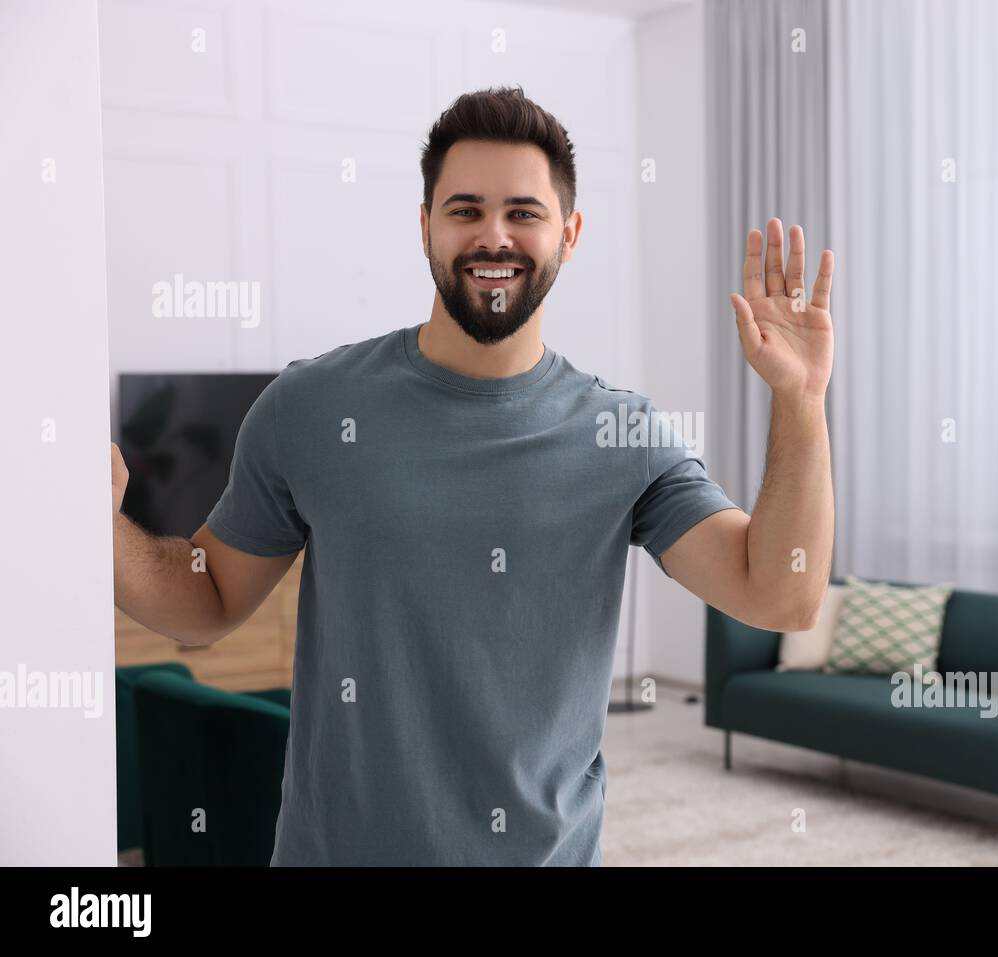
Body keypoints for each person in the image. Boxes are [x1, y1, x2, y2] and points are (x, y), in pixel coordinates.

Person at [110, 85, 835, 866]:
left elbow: (782, 593)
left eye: (524, 212)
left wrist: (799, 400)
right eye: (465, 210)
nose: (495, 235)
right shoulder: (310, 406)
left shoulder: (622, 434)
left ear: (570, 233)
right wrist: (99, 529)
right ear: (425, 226)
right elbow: (208, 597)